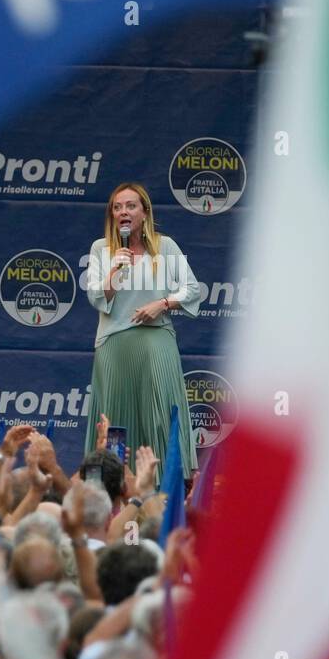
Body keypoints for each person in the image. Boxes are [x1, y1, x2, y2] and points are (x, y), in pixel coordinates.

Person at [84, 182, 201, 481]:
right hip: (115, 345)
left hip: (156, 341)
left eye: (131, 206)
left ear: (145, 212)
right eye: (117, 207)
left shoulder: (166, 247)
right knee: (115, 423)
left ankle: (166, 486)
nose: (124, 212)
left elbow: (192, 289)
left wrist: (162, 304)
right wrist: (114, 270)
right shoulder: (102, 249)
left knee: (160, 417)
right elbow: (97, 297)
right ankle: (115, 487)